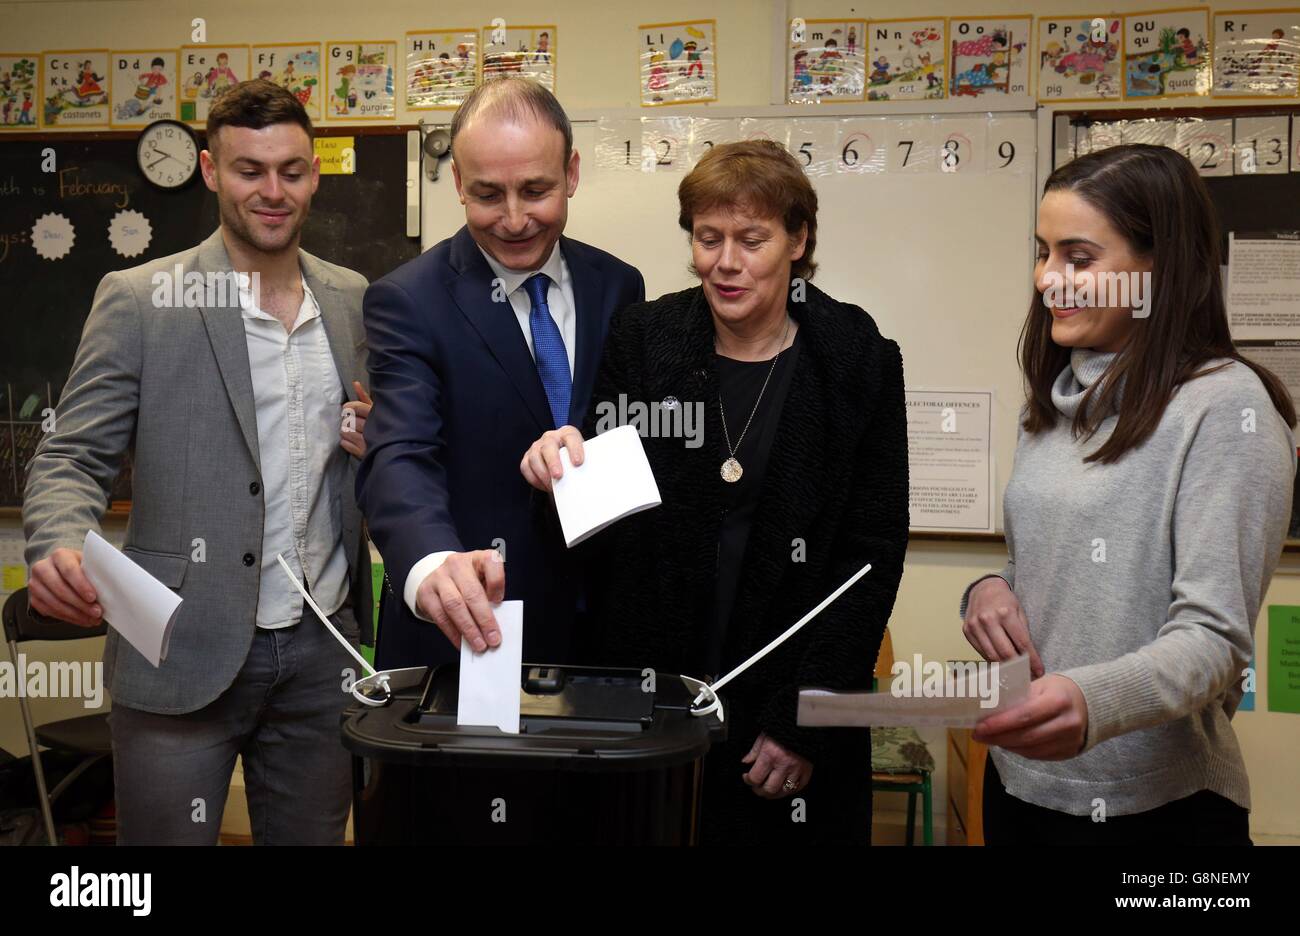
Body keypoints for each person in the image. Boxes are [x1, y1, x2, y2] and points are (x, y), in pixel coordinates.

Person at [521, 140, 909, 844]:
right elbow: (605, 521)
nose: (725, 262)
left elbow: (869, 557)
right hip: (654, 705)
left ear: (799, 240)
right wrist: (559, 471)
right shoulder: (645, 337)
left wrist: (803, 721)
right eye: (708, 238)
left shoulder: (858, 360)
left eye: (751, 239)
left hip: (785, 716)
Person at [23, 79, 373, 844]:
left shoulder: (352, 300)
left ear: (315, 174)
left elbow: (371, 452)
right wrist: (53, 540)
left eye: (290, 170)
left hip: (324, 652)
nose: (272, 192)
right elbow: (72, 458)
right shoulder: (141, 298)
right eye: (249, 171)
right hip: (179, 650)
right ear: (213, 172)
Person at [960, 143, 1296, 845]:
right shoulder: (1054, 405)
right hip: (1021, 787)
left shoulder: (1226, 408)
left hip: (1156, 808)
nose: (1049, 278)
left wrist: (1092, 699)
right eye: (1043, 251)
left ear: (1158, 269)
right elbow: (1038, 572)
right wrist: (988, 591)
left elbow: (1213, 642)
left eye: (1079, 257)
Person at [357, 78, 643, 671]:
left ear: (572, 174)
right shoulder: (408, 300)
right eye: (489, 194)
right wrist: (434, 561)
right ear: (458, 184)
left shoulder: (619, 286)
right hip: (468, 631)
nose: (515, 220)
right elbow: (400, 453)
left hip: (603, 634)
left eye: (535, 190)